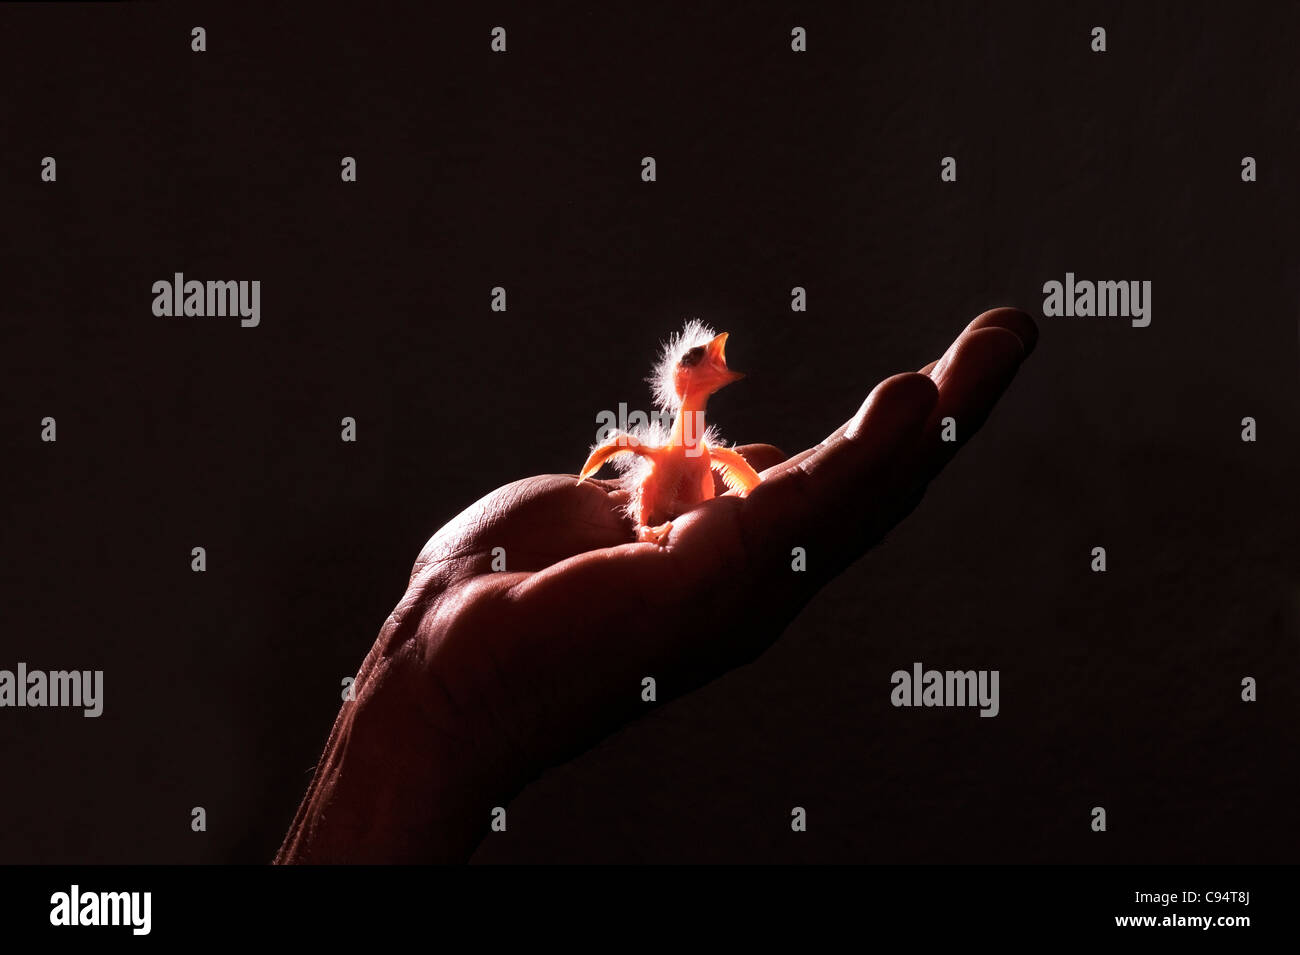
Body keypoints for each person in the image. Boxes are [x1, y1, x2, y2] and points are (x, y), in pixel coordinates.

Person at [276, 307, 1038, 863]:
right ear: (687, 376)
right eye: (703, 364)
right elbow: (638, 453)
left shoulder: (694, 445)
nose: (711, 371)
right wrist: (429, 698)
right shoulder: (664, 450)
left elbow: (716, 466)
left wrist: (419, 703)